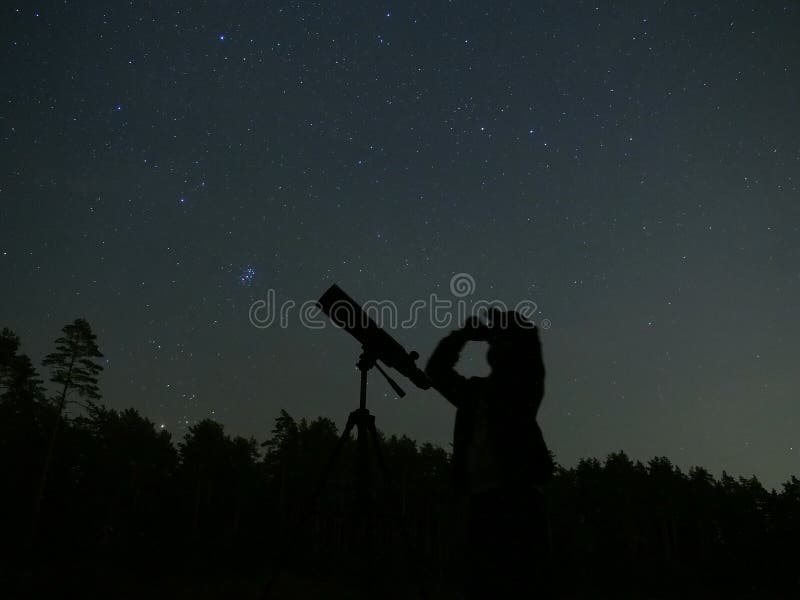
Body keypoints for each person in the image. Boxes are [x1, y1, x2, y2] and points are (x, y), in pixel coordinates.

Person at [425, 310, 553, 597]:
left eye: (503, 342)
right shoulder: (474, 394)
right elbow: (435, 371)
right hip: (479, 503)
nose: (497, 346)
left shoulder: (524, 389)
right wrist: (461, 336)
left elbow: (529, 347)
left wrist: (502, 326)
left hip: (519, 502)